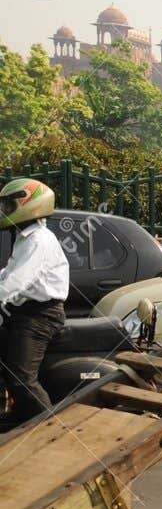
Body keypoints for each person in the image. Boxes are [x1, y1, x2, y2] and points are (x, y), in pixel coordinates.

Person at [0, 179, 69, 427]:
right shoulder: (25, 237)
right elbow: (8, 273)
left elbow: (18, 282)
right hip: (25, 313)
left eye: (10, 205)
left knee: (21, 376)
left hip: (39, 317)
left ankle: (52, 433)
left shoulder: (39, 240)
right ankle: (17, 417)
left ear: (29, 205)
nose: (5, 211)